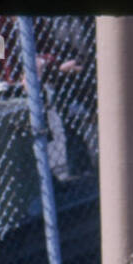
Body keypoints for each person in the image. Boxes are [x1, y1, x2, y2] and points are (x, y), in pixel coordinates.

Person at [34, 16, 98, 178]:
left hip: (87, 70)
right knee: (71, 127)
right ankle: (79, 173)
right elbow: (37, 55)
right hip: (63, 78)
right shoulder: (43, 22)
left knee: (94, 120)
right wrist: (58, 68)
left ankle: (94, 167)